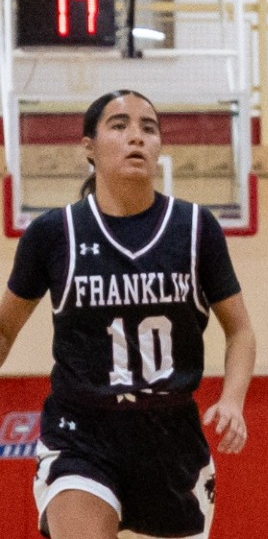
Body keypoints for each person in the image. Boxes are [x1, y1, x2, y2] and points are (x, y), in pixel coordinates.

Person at [0, 89, 254, 539]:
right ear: (89, 148)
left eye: (148, 128)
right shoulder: (53, 234)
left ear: (159, 147)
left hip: (170, 438)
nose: (136, 137)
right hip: (82, 432)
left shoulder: (196, 229)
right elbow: (4, 328)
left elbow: (240, 330)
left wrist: (232, 399)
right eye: (119, 126)